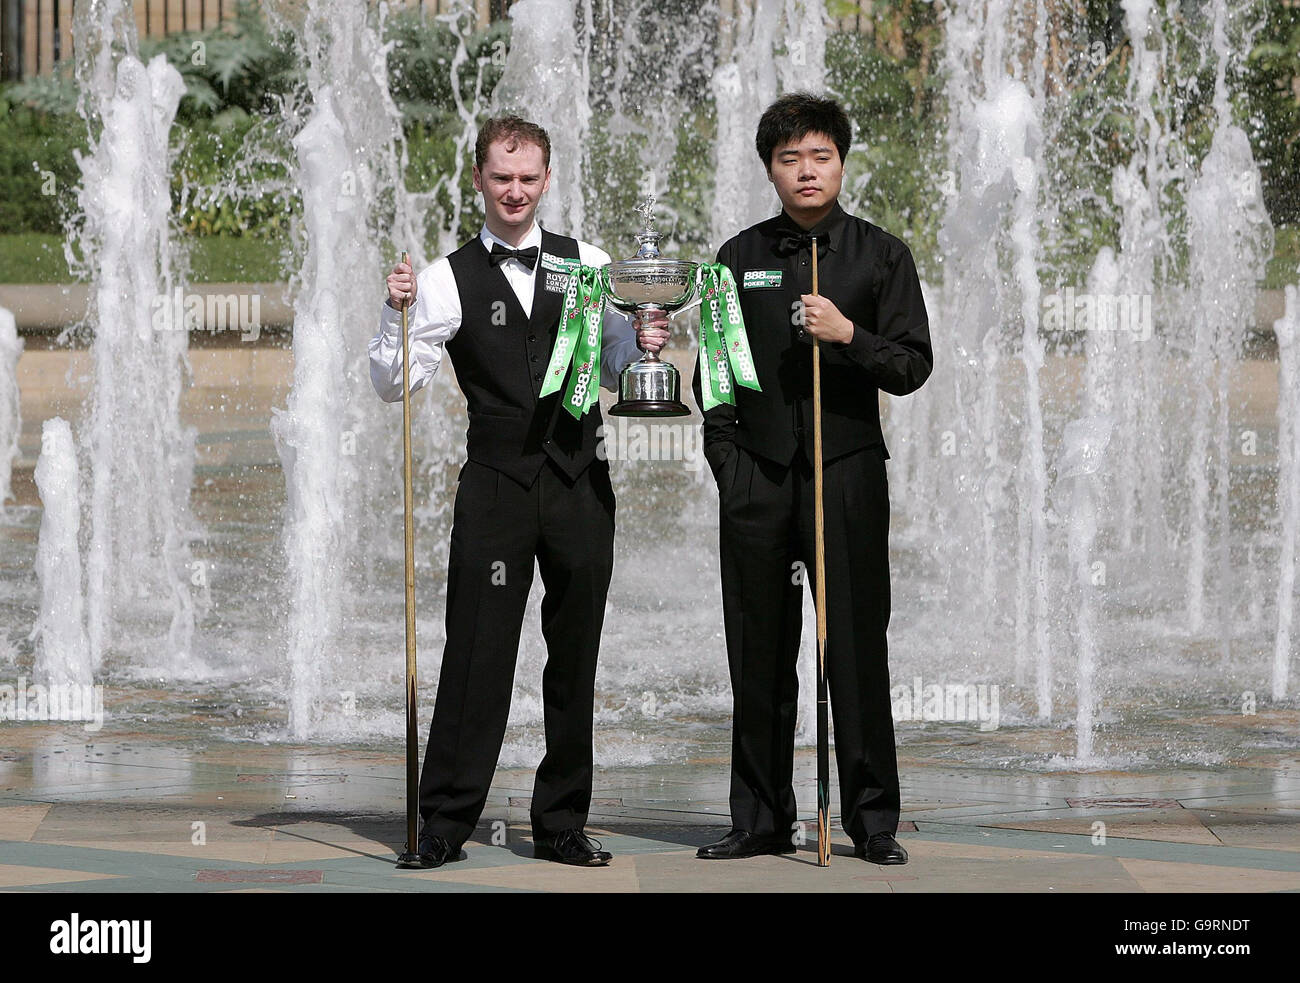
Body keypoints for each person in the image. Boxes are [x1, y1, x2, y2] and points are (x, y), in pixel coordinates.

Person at [368, 115, 669, 868]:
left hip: (579, 482)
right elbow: (391, 382)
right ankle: (443, 821)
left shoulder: (590, 264)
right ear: (478, 178)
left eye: (528, 177)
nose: (515, 190)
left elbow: (614, 366)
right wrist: (394, 314)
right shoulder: (444, 276)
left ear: (546, 179)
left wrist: (646, 344)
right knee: (476, 653)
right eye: (501, 177)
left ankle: (562, 821)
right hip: (496, 488)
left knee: (575, 655)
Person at [692, 93, 932, 864]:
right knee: (757, 650)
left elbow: (911, 363)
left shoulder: (881, 254)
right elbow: (715, 375)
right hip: (758, 479)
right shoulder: (736, 257)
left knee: (856, 648)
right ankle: (759, 816)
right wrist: (729, 464)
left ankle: (873, 818)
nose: (806, 170)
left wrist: (850, 334)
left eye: (819, 156)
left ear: (841, 162)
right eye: (790, 158)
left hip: (848, 475)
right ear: (770, 167)